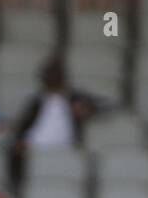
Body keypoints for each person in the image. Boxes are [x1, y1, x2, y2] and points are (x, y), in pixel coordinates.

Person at [7, 56, 99, 188]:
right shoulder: (36, 101)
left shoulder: (75, 98)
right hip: (34, 145)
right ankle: (17, 189)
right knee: (12, 151)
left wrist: (86, 109)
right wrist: (20, 140)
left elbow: (103, 105)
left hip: (66, 144)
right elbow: (23, 124)